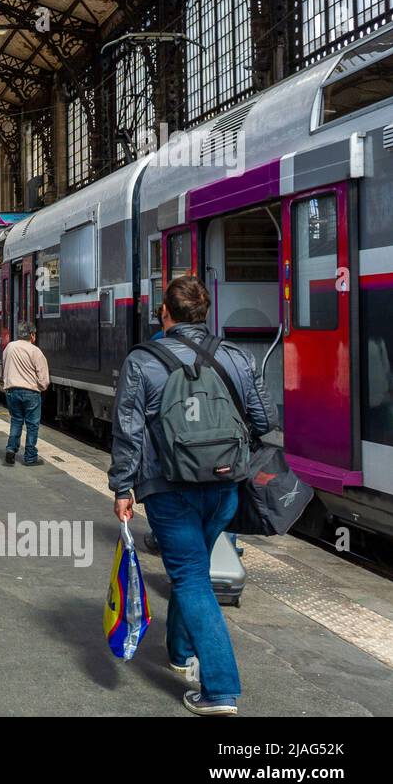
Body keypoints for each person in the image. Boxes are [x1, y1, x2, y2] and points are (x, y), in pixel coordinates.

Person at [110, 276, 275, 717]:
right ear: (205, 314)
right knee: (194, 568)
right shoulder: (236, 356)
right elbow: (264, 418)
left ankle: (220, 689)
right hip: (224, 487)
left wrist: (122, 486)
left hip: (168, 487)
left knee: (190, 577)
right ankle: (181, 652)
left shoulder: (143, 360)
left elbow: (128, 429)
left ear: (166, 313)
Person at [2, 322, 50, 466]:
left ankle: (11, 449)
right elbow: (44, 379)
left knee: (16, 420)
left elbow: (4, 367)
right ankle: (30, 457)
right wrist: (41, 387)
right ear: (32, 335)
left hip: (12, 390)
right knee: (32, 425)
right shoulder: (36, 352)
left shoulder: (9, 347)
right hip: (30, 392)